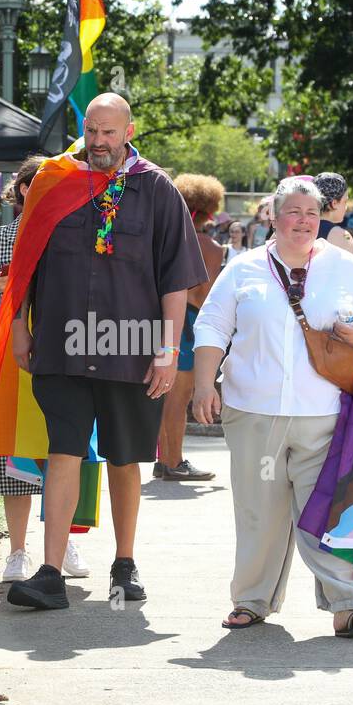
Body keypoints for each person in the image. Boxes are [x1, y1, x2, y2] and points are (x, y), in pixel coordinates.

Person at [0, 93, 208, 610]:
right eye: (92, 131)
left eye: (110, 133)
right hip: (61, 344)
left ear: (129, 130)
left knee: (124, 455)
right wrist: (20, 327)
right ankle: (49, 572)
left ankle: (125, 565)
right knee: (62, 450)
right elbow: (25, 265)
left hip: (130, 347)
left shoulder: (156, 189)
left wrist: (167, 350)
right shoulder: (52, 181)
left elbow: (175, 280)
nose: (100, 143)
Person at [192, 177, 353, 636]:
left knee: (326, 508)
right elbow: (212, 327)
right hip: (253, 412)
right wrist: (205, 385)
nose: (303, 222)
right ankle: (251, 600)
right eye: (293, 212)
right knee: (259, 509)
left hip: (323, 414)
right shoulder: (243, 268)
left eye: (311, 213)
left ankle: (349, 604)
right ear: (273, 217)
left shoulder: (343, 266)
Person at [0, 155, 88, 583]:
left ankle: (62, 541)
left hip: (64, 351)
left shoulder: (72, 231)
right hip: (11, 359)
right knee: (14, 452)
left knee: (64, 449)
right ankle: (18, 552)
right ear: (22, 190)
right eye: (40, 183)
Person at [155, 173, 227, 482]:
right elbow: (201, 294)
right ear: (209, 208)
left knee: (161, 396)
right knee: (178, 398)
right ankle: (174, 461)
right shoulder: (211, 247)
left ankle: (163, 459)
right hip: (187, 326)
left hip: (157, 322)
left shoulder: (164, 239)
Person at [314, 171, 353, 254]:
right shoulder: (343, 236)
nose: (346, 207)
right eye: (345, 201)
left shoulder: (302, 229)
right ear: (334, 203)